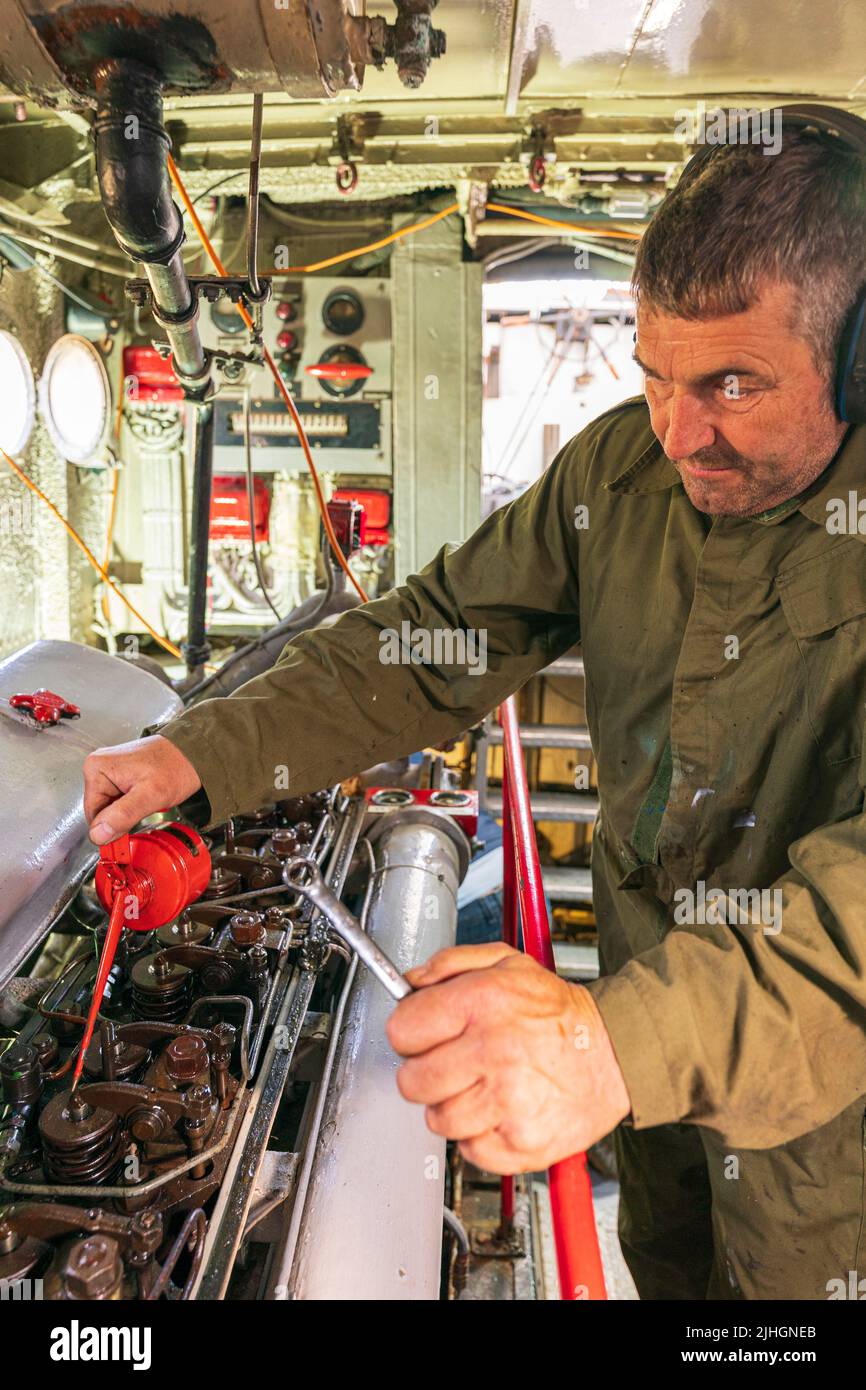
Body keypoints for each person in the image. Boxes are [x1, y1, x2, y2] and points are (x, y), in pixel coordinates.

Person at [84, 112, 866, 1299]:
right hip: (648, 1077)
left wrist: (613, 1042)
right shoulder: (617, 474)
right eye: (651, 376)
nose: (677, 433)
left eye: (731, 386)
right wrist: (202, 750)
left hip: (828, 1133)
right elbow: (428, 643)